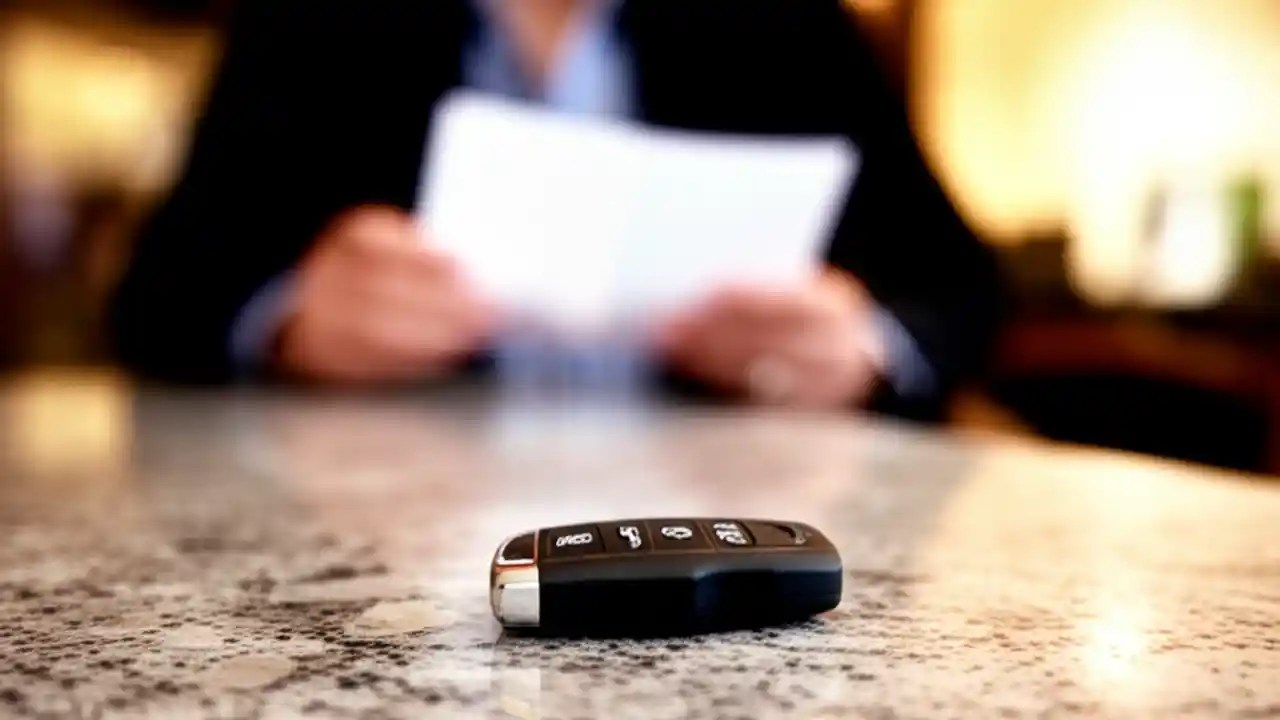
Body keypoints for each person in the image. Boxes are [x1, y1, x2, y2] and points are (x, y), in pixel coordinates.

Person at [109, 0, 1002, 421]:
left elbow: (962, 290)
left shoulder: (788, 26)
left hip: (729, 509)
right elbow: (154, 299)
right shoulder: (309, 25)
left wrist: (863, 348)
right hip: (378, 518)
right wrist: (288, 320)